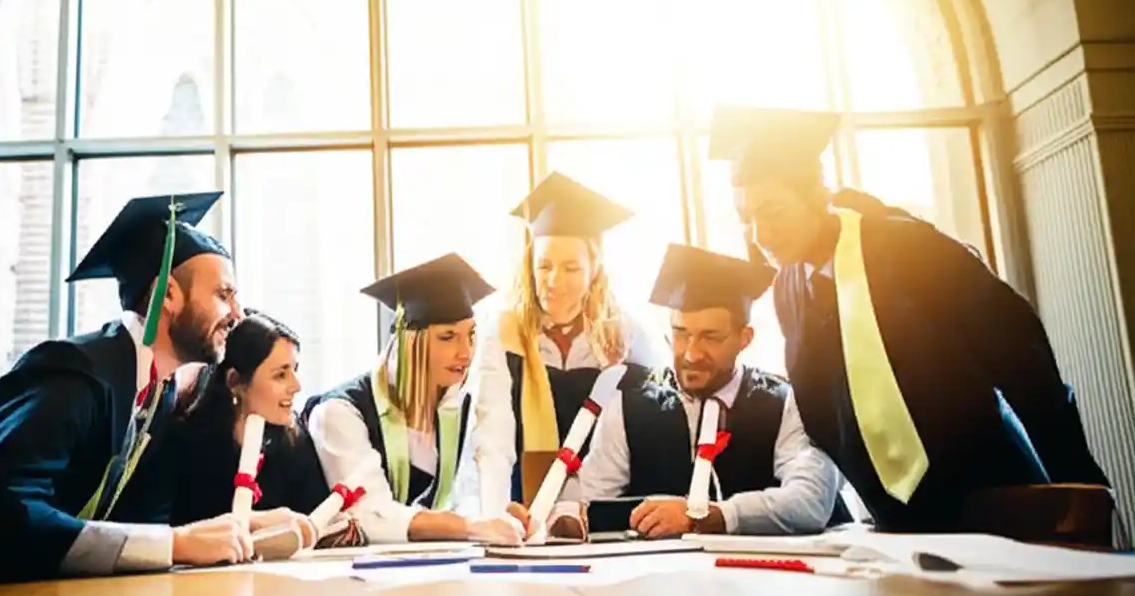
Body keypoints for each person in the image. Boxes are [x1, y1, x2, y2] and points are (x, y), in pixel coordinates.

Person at [712, 105, 1110, 532]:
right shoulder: (790, 290)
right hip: (898, 521)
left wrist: (1079, 487)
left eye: (773, 212)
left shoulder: (907, 247)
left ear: (814, 195)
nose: (761, 236)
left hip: (995, 498)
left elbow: (1025, 363)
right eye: (747, 219)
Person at [0, 193, 251, 596]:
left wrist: (241, 529)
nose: (238, 314)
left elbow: (142, 522)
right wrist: (176, 544)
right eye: (225, 294)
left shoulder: (156, 394)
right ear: (167, 295)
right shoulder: (72, 375)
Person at [566, 244, 841, 538]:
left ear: (744, 338)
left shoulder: (785, 402)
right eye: (681, 334)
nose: (692, 354)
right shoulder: (629, 403)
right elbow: (589, 502)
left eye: (711, 337)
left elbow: (810, 500)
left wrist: (711, 517)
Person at [467, 172, 666, 515]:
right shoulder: (504, 332)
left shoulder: (625, 333)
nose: (554, 282)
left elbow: (653, 424)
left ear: (595, 268)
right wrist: (494, 514)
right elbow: (493, 434)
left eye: (572, 268)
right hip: (524, 504)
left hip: (606, 506)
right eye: (544, 266)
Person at [304, 254, 527, 544]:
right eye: (448, 337)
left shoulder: (457, 410)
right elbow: (370, 514)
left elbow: (461, 501)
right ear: (412, 341)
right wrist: (471, 526)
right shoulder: (340, 412)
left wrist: (498, 517)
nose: (466, 352)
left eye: (470, 335)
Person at [140, 310, 360, 547]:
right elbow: (162, 533)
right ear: (235, 382)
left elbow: (312, 514)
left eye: (295, 370)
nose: (296, 386)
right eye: (280, 375)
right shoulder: (183, 443)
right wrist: (258, 522)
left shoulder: (293, 441)